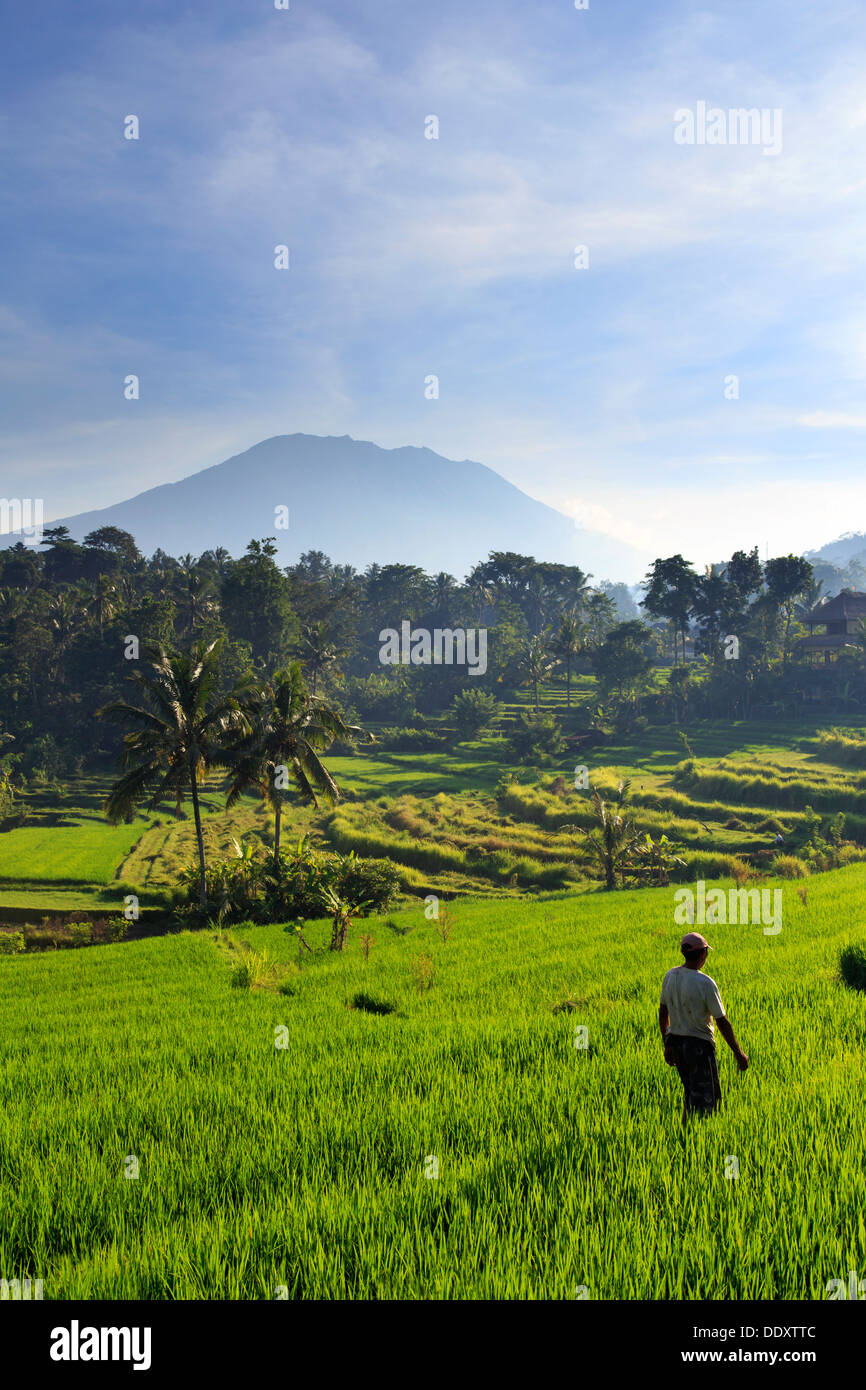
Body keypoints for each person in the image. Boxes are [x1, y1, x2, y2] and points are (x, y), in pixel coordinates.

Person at [659, 932, 748, 1122]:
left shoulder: (670, 976)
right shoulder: (705, 983)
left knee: (690, 1092)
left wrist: (667, 1043)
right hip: (699, 1048)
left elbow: (663, 1012)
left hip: (677, 1044)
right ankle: (703, 1138)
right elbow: (722, 1021)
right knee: (709, 1100)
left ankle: (687, 1134)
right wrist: (738, 1052)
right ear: (702, 955)